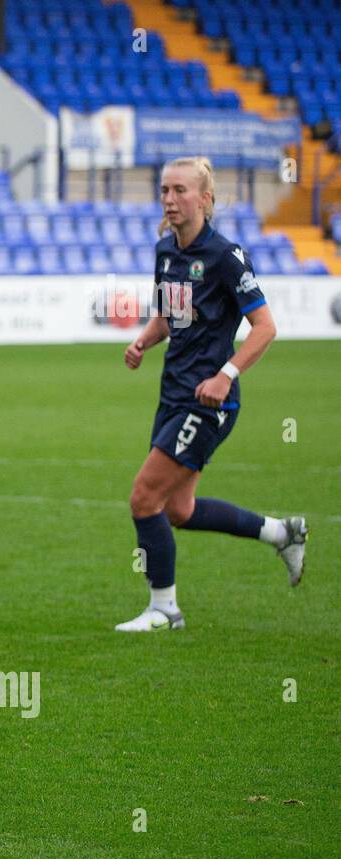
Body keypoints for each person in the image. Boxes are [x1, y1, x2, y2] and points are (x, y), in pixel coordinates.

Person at [116, 156, 307, 632]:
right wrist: (143, 339)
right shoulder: (165, 251)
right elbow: (167, 316)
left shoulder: (225, 256)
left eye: (180, 190)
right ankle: (282, 532)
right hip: (172, 395)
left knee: (143, 498)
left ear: (204, 198)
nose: (169, 199)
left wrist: (226, 374)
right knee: (177, 511)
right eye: (164, 190)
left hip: (209, 404)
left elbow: (265, 328)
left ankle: (165, 609)